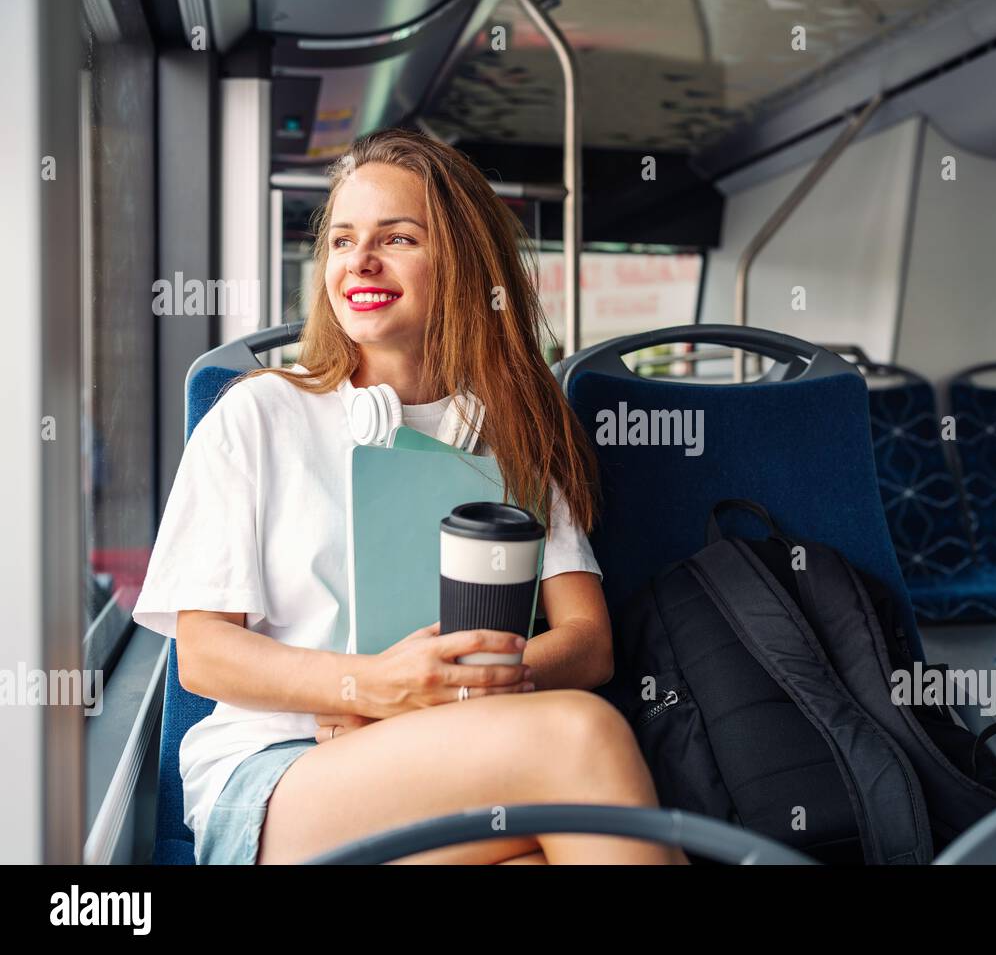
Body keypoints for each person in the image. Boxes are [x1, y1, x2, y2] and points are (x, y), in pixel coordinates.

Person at [133, 128, 684, 865]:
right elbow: (202, 654)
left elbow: (587, 642)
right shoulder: (258, 414)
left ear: (459, 263)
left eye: (397, 238)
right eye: (342, 241)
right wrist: (374, 687)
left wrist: (453, 693)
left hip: (450, 754)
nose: (359, 261)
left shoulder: (510, 431)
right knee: (583, 737)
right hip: (278, 775)